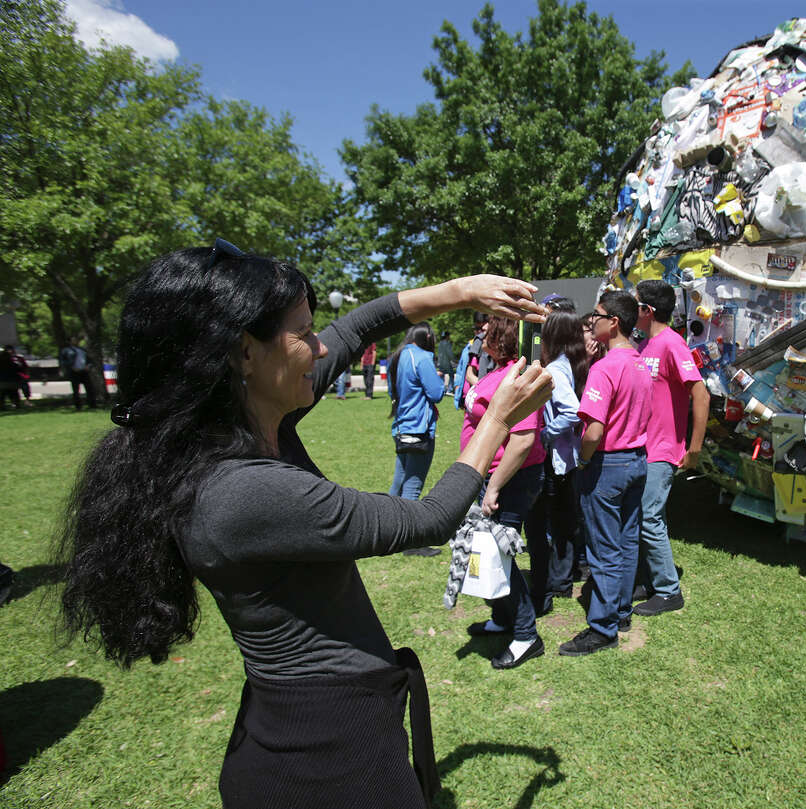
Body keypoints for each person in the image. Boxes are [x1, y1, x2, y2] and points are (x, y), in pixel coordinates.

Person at [57, 239, 551, 809]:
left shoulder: (248, 424)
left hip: (323, 724)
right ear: (245, 353)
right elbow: (429, 519)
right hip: (328, 750)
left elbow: (361, 326)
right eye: (303, 334)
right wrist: (498, 419)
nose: (320, 348)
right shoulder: (241, 491)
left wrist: (462, 292)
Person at [559, 291, 652, 657]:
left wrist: (582, 461)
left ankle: (602, 627)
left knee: (604, 549)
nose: (591, 322)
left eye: (595, 316)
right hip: (637, 462)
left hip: (608, 465)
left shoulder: (605, 368)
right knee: (627, 542)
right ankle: (621, 613)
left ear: (613, 321)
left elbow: (593, 432)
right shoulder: (641, 363)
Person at [460, 316, 547, 669]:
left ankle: (527, 636)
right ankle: (503, 616)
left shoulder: (518, 378)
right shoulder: (498, 374)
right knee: (488, 550)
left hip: (509, 480)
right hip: (488, 476)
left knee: (501, 555)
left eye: (486, 335)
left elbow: (523, 440)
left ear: (498, 340)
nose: (480, 339)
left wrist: (493, 487)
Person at [630, 280, 710, 617]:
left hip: (663, 449)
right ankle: (649, 580)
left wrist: (694, 448)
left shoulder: (672, 344)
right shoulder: (646, 345)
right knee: (643, 517)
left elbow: (701, 394)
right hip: (643, 447)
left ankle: (668, 591)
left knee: (650, 517)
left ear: (647, 311)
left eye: (634, 305)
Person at [524, 298, 589, 614]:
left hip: (557, 459)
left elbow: (572, 411)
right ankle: (564, 578)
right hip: (571, 456)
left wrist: (546, 434)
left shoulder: (555, 371)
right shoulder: (574, 365)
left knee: (553, 523)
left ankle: (557, 581)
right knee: (566, 520)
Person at [388, 323, 446, 558]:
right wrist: (439, 378)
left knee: (399, 481)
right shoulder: (422, 358)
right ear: (428, 336)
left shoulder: (397, 356)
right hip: (419, 429)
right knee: (412, 486)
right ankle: (411, 543)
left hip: (401, 427)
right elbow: (436, 393)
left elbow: (393, 392)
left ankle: (386, 530)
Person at [59, 341, 96, 410]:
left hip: (84, 371)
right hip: (74, 372)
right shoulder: (66, 350)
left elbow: (90, 360)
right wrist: (71, 368)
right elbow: (63, 361)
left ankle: (92, 405)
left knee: (89, 388)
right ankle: (78, 406)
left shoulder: (82, 350)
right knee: (76, 390)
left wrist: (89, 366)